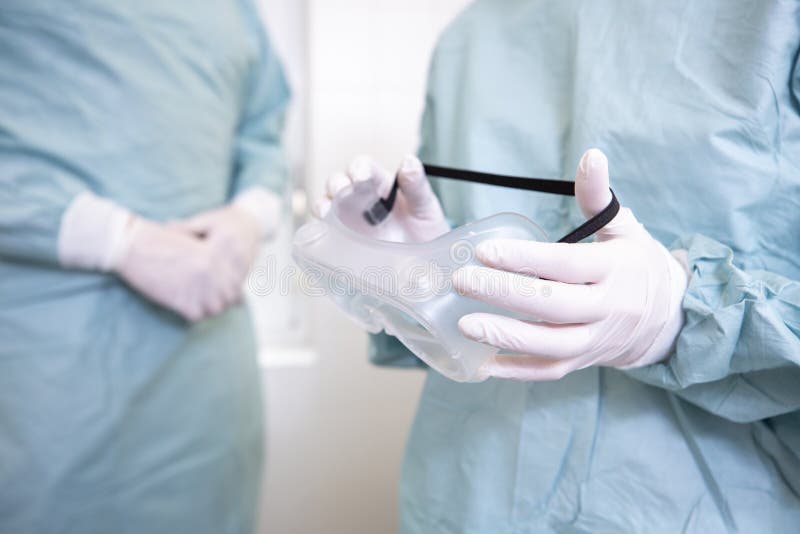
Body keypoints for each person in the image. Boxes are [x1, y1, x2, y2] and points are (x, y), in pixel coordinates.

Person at [316, 1, 800, 531]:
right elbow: (459, 340)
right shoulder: (470, 35)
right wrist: (420, 276)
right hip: (466, 496)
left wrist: (680, 314)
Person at [0, 1, 289, 532]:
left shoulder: (232, 12)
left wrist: (249, 216)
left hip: (209, 369)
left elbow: (263, 134)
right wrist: (115, 240)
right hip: (51, 376)